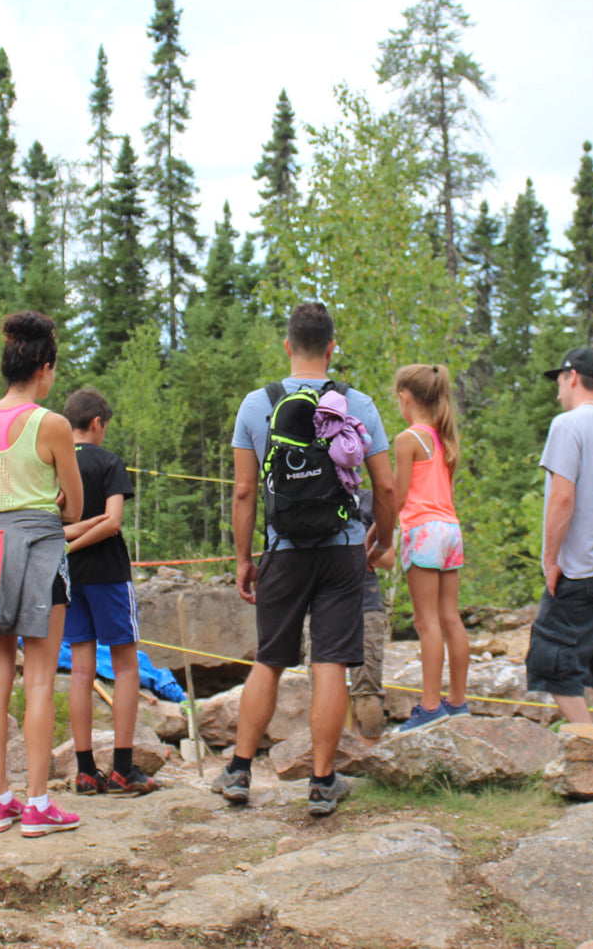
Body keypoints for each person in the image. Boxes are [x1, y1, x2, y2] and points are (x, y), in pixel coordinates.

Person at [219, 301, 395, 816]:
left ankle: (239, 770)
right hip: (343, 550)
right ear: (331, 348)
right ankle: (321, 783)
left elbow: (244, 492)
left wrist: (243, 558)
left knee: (270, 660)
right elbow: (385, 486)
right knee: (331, 663)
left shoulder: (257, 404)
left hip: (283, 550)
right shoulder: (357, 402)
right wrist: (382, 539)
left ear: (288, 346)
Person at [0, 313, 84, 834]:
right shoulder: (51, 424)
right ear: (44, 369)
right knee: (38, 680)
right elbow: (74, 506)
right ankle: (37, 804)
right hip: (38, 548)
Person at [527, 348, 593, 728]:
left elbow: (563, 497)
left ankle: (589, 742)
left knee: (550, 659)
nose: (557, 391)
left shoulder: (567, 425)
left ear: (572, 377)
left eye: (559, 380)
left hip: (581, 566)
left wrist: (550, 560)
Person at [61, 387, 157, 797]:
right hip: (108, 574)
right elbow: (113, 521)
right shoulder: (109, 462)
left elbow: (51, 521)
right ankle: (121, 768)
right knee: (126, 667)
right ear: (97, 423)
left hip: (70, 579)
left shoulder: (56, 464)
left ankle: (85, 771)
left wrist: (65, 546)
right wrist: (77, 542)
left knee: (81, 671)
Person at [386, 364, 469, 733]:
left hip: (422, 532)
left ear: (405, 397)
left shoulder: (408, 439)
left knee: (426, 621)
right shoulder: (444, 438)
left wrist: (377, 532)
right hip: (450, 530)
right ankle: (458, 701)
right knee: (451, 617)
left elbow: (399, 496)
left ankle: (431, 706)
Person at [348, 487, 389, 740]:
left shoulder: (369, 500)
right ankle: (328, 758)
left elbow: (389, 559)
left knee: (367, 691)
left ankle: (372, 756)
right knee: (321, 686)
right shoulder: (306, 494)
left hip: (365, 602)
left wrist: (360, 546)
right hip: (318, 605)